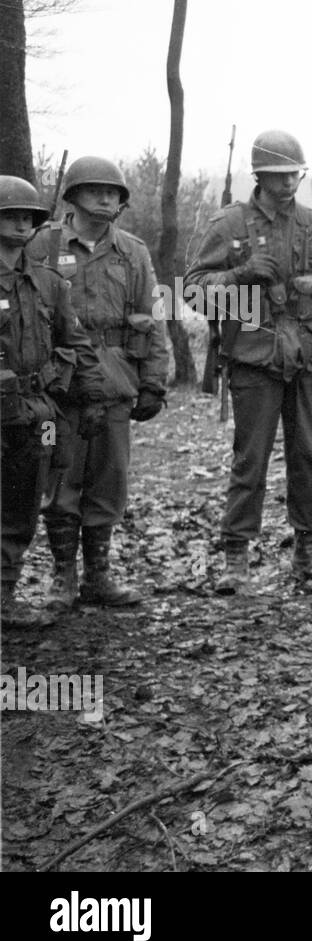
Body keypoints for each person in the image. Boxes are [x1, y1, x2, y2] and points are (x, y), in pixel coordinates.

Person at [185, 129, 312, 594]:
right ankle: (237, 560)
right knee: (250, 461)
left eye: (293, 175)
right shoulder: (230, 224)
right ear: (259, 175)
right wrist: (241, 275)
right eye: (278, 175)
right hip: (253, 357)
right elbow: (193, 290)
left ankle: (308, 552)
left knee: (309, 457)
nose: (287, 184)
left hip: (307, 358)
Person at [25, 156, 169, 610]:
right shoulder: (40, 246)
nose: (106, 198)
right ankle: (63, 576)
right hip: (55, 386)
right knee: (57, 476)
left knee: (109, 479)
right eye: (95, 191)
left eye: (114, 192)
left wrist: (154, 381)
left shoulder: (133, 252)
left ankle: (99, 576)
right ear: (73, 196)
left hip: (115, 378)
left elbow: (154, 317)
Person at [0, 176, 108, 628]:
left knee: (25, 499)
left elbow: (75, 340)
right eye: (11, 216)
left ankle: (4, 597)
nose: (23, 224)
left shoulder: (48, 282)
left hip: (39, 413)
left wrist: (95, 394)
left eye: (29, 217)